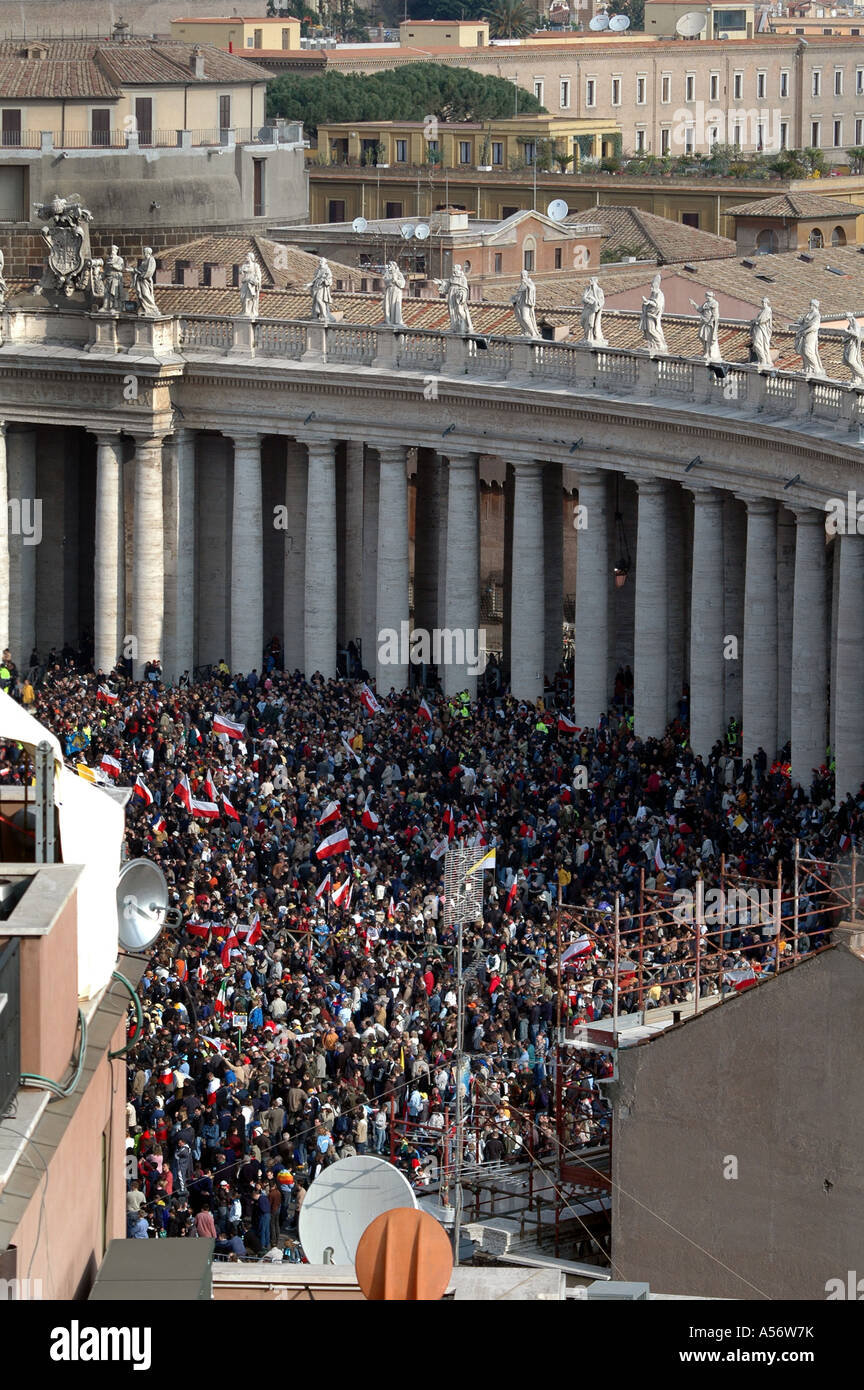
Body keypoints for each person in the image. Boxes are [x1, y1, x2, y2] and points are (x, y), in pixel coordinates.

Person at [436, 264, 473, 335]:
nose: (453, 269)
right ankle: (454, 326)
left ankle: (466, 325)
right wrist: (440, 282)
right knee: (452, 310)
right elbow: (448, 283)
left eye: (454, 268)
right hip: (451, 294)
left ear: (458, 269)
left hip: (458, 295)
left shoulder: (463, 278)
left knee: (459, 310)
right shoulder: (452, 277)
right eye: (453, 267)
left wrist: (462, 294)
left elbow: (465, 288)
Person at [793, 298, 824, 377]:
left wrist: (805, 331)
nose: (809, 306)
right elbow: (803, 321)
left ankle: (816, 368)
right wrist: (800, 321)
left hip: (811, 335)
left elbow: (815, 327)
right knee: (803, 351)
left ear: (814, 305)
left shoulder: (817, 315)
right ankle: (807, 368)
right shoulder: (809, 313)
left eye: (810, 305)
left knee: (808, 351)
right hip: (804, 334)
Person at [640, 274, 667, 356]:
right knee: (648, 330)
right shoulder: (653, 293)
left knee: (652, 330)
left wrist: (649, 302)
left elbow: (658, 305)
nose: (651, 288)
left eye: (652, 286)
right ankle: (652, 344)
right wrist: (646, 303)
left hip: (653, 316)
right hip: (648, 315)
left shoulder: (659, 294)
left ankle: (659, 345)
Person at [510, 270, 540, 338]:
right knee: (520, 318)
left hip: (525, 303)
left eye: (524, 275)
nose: (523, 277)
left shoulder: (529, 282)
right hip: (519, 303)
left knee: (525, 318)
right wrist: (514, 298)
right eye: (521, 275)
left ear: (527, 275)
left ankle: (533, 332)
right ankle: (525, 331)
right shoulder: (521, 284)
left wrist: (527, 284)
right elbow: (519, 294)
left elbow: (532, 289)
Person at [132, 247, 159, 318]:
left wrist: (143, 275)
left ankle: (152, 308)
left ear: (148, 252)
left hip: (146, 280)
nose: (144, 253)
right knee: (141, 294)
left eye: (145, 251)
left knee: (146, 293)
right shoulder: (144, 260)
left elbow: (150, 271)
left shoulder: (151, 260)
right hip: (140, 280)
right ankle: (144, 308)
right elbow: (140, 269)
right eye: (144, 251)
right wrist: (134, 270)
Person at [580, 277, 607, 348]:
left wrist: (596, 304)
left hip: (592, 310)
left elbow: (602, 301)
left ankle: (589, 337)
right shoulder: (587, 289)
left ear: (595, 281)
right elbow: (583, 298)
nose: (590, 281)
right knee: (583, 321)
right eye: (590, 280)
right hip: (586, 309)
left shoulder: (599, 290)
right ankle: (586, 337)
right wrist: (589, 301)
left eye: (591, 280)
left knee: (590, 324)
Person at [750, 297, 773, 370]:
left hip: (762, 329)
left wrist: (755, 321)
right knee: (757, 344)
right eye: (762, 302)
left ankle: (763, 360)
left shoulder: (767, 310)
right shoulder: (762, 310)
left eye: (764, 302)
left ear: (767, 303)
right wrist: (755, 321)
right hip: (758, 328)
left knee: (758, 343)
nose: (763, 303)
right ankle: (761, 360)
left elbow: (762, 320)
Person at [382, 260, 406, 328]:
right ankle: (388, 320)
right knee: (387, 305)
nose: (389, 266)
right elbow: (385, 281)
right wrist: (390, 281)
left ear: (394, 266)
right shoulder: (387, 273)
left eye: (391, 265)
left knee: (395, 305)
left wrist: (396, 281)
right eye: (389, 265)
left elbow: (402, 284)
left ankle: (396, 321)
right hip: (389, 291)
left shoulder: (399, 274)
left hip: (396, 291)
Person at [239, 252, 262, 318]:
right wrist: (242, 270)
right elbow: (240, 272)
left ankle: (248, 311)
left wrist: (257, 281)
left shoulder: (255, 266)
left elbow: (258, 275)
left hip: (251, 284)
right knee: (242, 297)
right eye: (246, 256)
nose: (246, 257)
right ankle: (244, 310)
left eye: (247, 256)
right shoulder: (244, 265)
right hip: (245, 283)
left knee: (249, 298)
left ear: (251, 258)